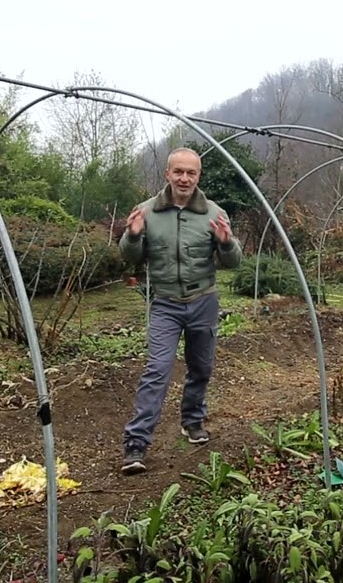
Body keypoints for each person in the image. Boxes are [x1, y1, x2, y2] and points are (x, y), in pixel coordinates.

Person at [116, 147, 242, 474]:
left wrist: (226, 243)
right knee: (157, 369)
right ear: (167, 174)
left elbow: (233, 262)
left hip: (204, 301)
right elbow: (129, 256)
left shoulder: (214, 213)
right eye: (179, 172)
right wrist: (132, 236)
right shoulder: (147, 211)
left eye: (191, 173)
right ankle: (136, 443)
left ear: (198, 176)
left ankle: (192, 420)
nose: (184, 178)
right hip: (165, 304)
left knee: (201, 367)